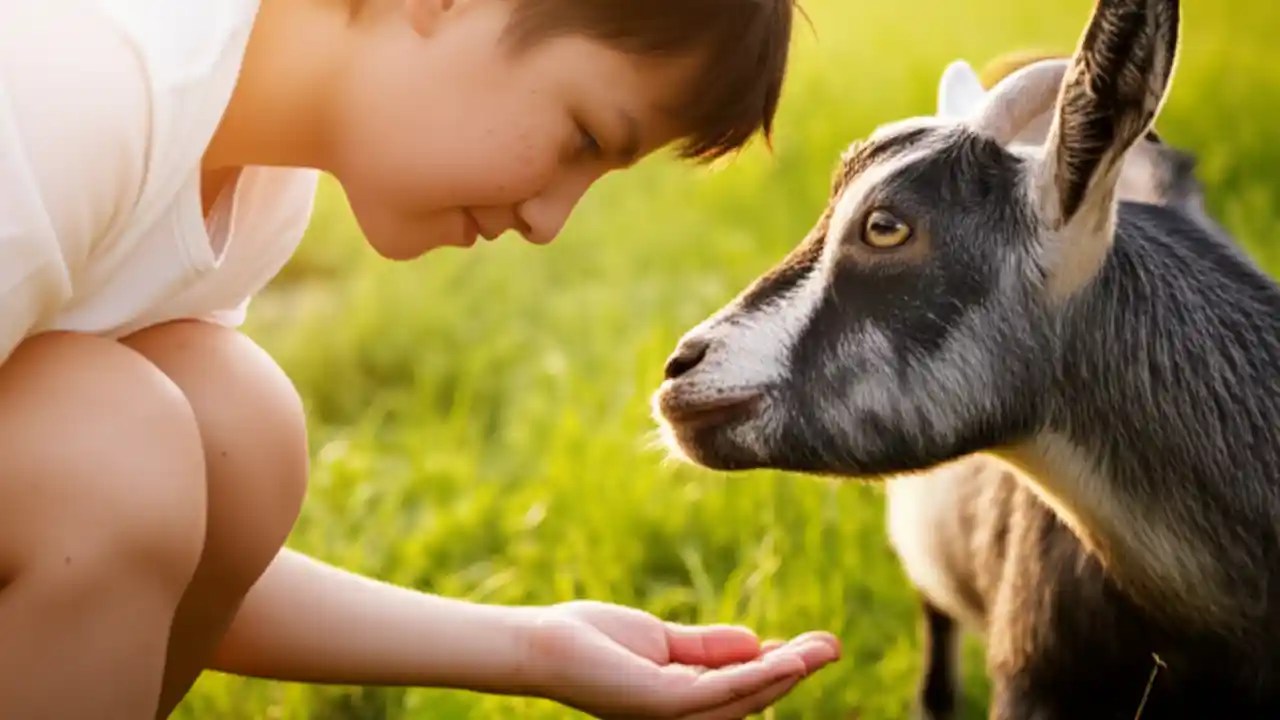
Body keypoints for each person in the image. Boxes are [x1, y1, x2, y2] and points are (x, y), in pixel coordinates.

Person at [0, 0, 842, 718]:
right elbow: (100, 497)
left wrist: (534, 647)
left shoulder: (254, 198)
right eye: (582, 136)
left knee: (236, 426)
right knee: (119, 443)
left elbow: (133, 563)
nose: (549, 222)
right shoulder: (84, 80)